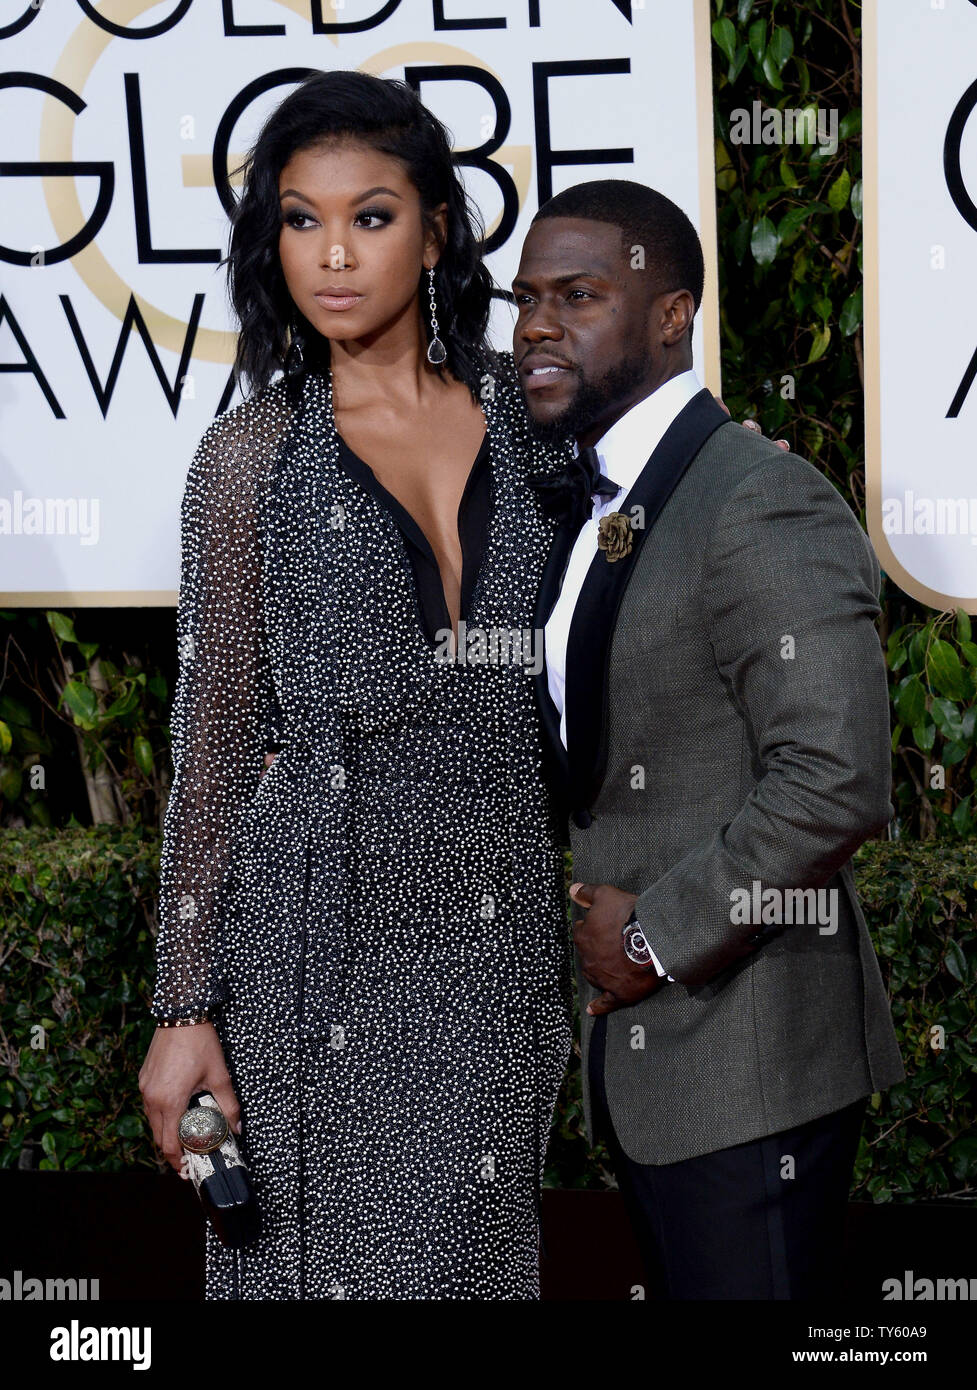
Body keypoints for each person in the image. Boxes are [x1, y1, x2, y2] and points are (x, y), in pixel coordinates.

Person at [138, 70, 577, 1301]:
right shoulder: (246, 460)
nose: (331, 254)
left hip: (494, 940)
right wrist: (182, 1010)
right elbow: (214, 746)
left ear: (435, 227)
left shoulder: (535, 413)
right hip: (314, 934)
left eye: (370, 216)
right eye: (299, 218)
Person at [513, 179, 905, 1300]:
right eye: (526, 297)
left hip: (750, 1066)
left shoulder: (756, 498)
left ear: (672, 313)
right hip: (655, 1074)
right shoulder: (591, 496)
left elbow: (834, 779)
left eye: (578, 295)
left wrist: (651, 941)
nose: (538, 323)